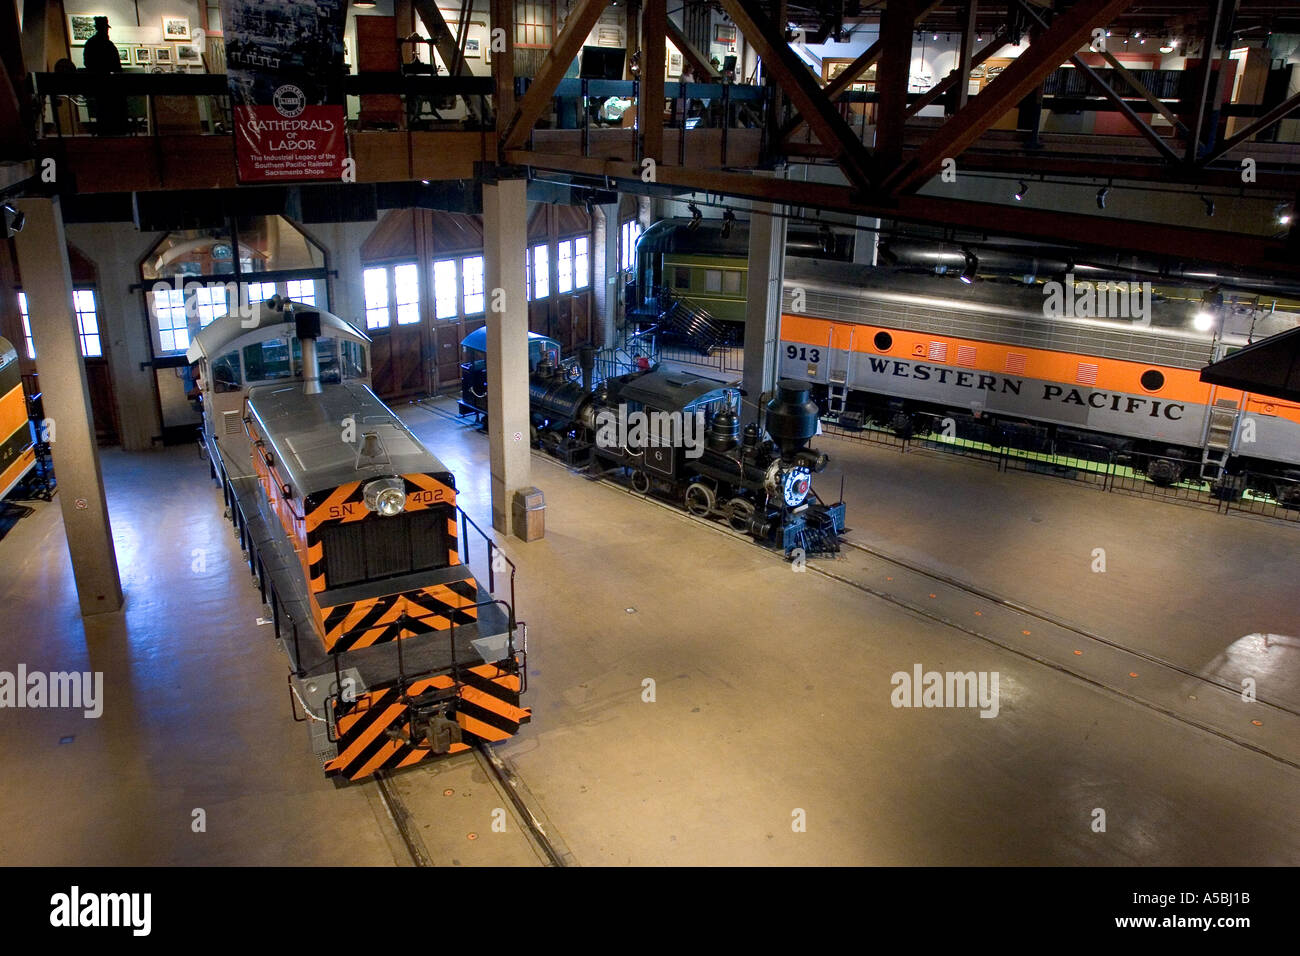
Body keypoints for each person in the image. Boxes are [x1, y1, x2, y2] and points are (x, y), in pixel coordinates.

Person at [82, 17, 126, 135]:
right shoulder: (108, 45)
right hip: (107, 84)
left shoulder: (91, 44)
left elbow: (87, 63)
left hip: (99, 83)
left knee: (103, 111)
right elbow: (117, 65)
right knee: (108, 110)